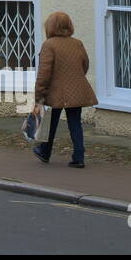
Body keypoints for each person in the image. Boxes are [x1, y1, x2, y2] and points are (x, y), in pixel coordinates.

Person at [31, 11, 97, 168]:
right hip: (77, 90)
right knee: (75, 123)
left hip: (56, 91)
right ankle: (79, 157)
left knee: (50, 123)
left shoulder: (49, 44)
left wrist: (39, 95)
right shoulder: (77, 43)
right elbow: (85, 65)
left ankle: (44, 151)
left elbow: (44, 73)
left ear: (50, 27)